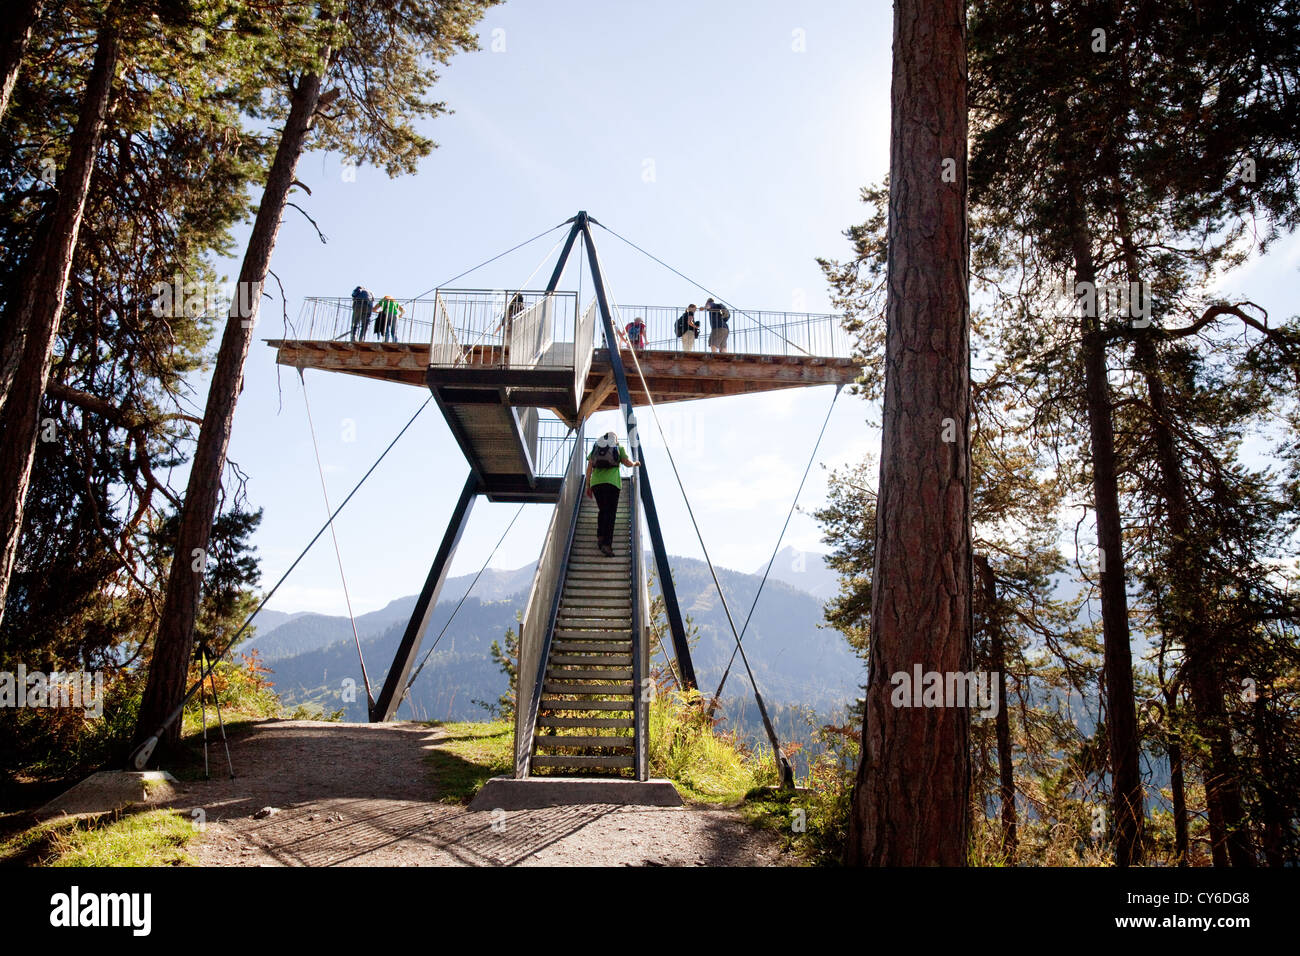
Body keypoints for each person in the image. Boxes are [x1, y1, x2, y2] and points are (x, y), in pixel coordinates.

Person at [584, 431, 640, 557]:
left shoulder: (595, 448)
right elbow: (627, 463)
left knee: (602, 510)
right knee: (611, 514)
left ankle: (600, 536)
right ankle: (607, 545)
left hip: (596, 483)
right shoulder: (618, 448)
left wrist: (588, 486)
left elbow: (589, 468)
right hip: (612, 484)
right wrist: (636, 463)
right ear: (615, 439)